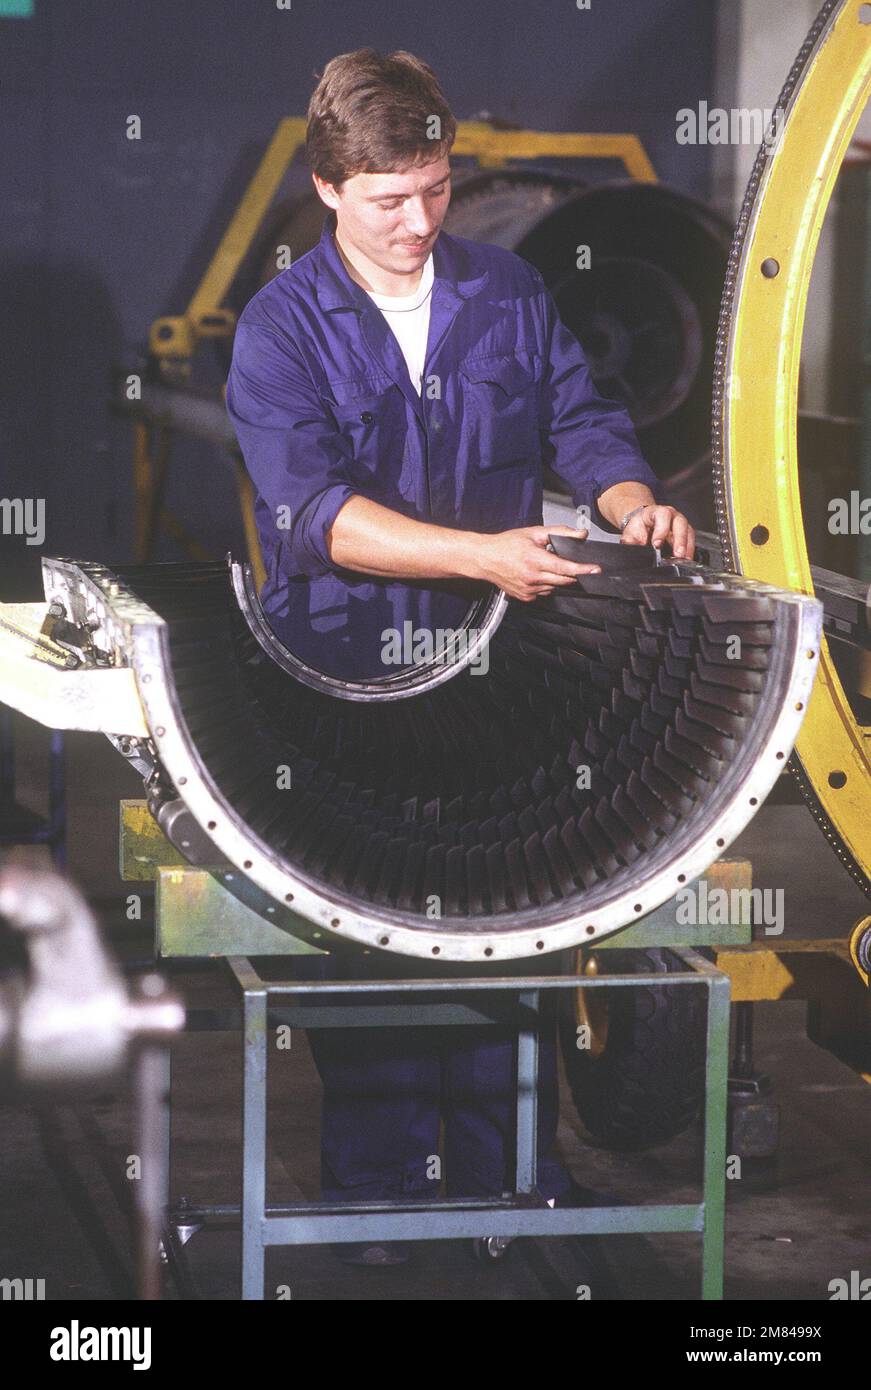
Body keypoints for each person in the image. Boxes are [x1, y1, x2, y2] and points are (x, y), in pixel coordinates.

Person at [226, 48, 695, 1265]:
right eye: (389, 199)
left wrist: (631, 499)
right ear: (329, 188)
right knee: (374, 950)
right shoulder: (281, 326)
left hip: (499, 678)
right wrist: (483, 554)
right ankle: (380, 1216)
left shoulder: (505, 292)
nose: (418, 222)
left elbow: (583, 422)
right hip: (344, 679)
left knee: (505, 924)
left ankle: (511, 1198)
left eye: (435, 190)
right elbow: (312, 515)